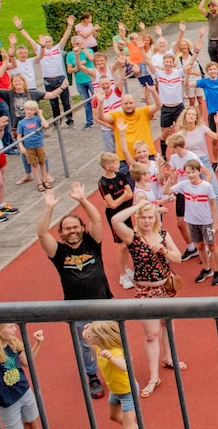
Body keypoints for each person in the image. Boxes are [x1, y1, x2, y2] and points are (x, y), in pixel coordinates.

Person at [36, 183, 109, 399]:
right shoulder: (59, 252)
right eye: (67, 228)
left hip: (103, 302)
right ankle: (92, 376)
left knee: (109, 339)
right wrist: (49, 207)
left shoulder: (92, 243)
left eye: (75, 227)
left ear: (82, 228)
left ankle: (117, 369)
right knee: (86, 344)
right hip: (77, 308)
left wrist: (82, 200)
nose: (72, 231)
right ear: (61, 233)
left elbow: (97, 220)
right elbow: (42, 234)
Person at [109, 201, 185, 397]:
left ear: (155, 218)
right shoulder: (132, 237)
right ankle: (153, 377)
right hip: (146, 291)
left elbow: (178, 258)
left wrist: (164, 251)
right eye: (143, 217)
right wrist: (138, 206)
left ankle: (169, 358)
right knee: (151, 334)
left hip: (166, 287)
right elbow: (115, 220)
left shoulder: (163, 234)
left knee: (168, 324)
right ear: (137, 218)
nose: (147, 221)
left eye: (150, 217)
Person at [162, 159, 218, 285]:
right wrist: (170, 179)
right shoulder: (184, 185)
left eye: (193, 172)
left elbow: (213, 204)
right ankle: (206, 269)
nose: (190, 175)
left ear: (199, 171)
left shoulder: (206, 186)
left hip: (206, 221)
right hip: (192, 221)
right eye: (188, 172)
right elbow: (165, 191)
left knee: (211, 245)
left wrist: (216, 222)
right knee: (200, 246)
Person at [0, 323, 43, 429]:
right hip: (6, 401)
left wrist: (38, 343)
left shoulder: (13, 344)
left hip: (24, 391)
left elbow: (27, 362)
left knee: (32, 423)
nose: (15, 329)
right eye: (10, 327)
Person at [82, 321, 138, 429]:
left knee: (128, 425)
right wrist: (86, 331)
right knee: (114, 417)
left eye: (92, 335)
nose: (89, 337)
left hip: (128, 392)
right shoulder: (99, 347)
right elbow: (85, 338)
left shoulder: (115, 351)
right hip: (115, 390)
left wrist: (111, 358)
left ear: (101, 337)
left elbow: (126, 367)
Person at [98, 152, 136, 290]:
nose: (118, 164)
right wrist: (124, 196)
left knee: (129, 242)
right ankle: (122, 275)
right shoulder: (103, 183)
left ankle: (127, 268)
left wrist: (122, 197)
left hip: (126, 213)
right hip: (115, 217)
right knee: (122, 245)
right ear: (107, 167)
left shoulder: (120, 176)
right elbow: (112, 205)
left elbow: (130, 194)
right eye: (115, 163)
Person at [15, 100, 52, 191]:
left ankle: (45, 180)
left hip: (39, 144)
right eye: (27, 109)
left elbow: (46, 125)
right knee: (33, 164)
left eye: (31, 110)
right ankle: (39, 183)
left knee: (42, 162)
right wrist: (21, 146)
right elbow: (19, 136)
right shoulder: (21, 123)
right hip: (29, 146)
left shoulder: (37, 119)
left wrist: (40, 114)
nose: (29, 112)